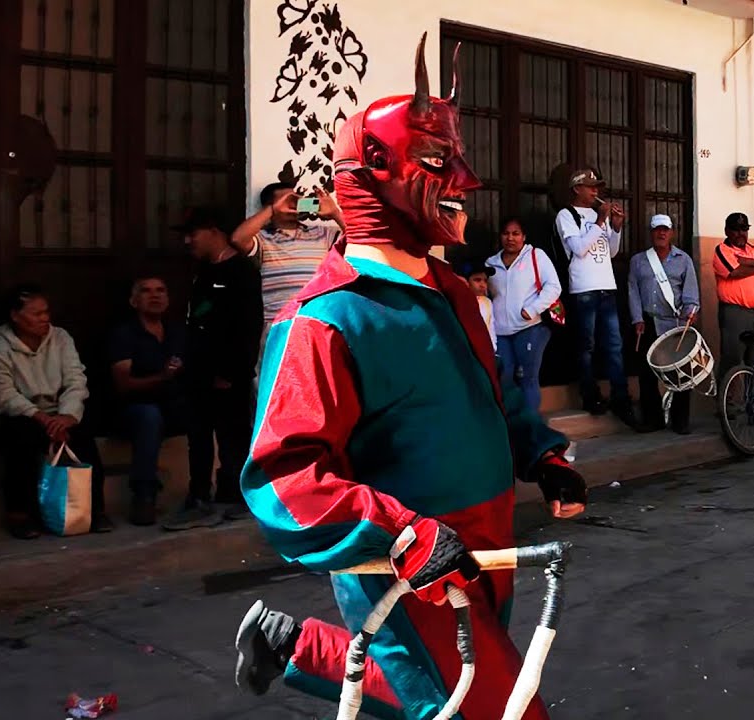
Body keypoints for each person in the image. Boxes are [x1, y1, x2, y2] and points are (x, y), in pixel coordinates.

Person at [231, 35, 587, 720]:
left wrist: (539, 451)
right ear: (370, 172)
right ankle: (300, 648)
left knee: (443, 689)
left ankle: (292, 646)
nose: (462, 182)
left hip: (489, 545)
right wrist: (400, 533)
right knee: (498, 708)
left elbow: (489, 395)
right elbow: (284, 475)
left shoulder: (453, 290)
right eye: (435, 162)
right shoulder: (325, 321)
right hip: (406, 570)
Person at [163, 207, 263, 531]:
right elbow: (195, 320)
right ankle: (198, 497)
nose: (188, 240)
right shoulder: (202, 272)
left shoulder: (242, 272)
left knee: (233, 436)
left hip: (228, 374)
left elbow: (249, 327)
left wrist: (233, 372)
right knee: (198, 436)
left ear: (214, 231)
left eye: (194, 233)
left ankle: (235, 497)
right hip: (197, 371)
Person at [0, 285, 111, 538]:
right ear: (15, 316)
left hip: (61, 411)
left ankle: (93, 510)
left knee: (84, 435)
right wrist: (43, 418)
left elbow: (75, 380)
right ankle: (19, 515)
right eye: (36, 314)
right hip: (26, 414)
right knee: (19, 440)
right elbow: (3, 393)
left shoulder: (60, 337)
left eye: (46, 312)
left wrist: (67, 416)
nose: (44, 318)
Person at [230, 182, 345, 364]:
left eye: (296, 198)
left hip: (315, 323)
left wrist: (334, 213)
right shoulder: (264, 239)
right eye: (287, 200)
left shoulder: (322, 234)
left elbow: (361, 239)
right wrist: (272, 210)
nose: (294, 203)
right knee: (276, 385)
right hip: (279, 325)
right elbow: (237, 239)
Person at [555, 168, 633, 424]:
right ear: (577, 189)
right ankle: (590, 396)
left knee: (614, 346)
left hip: (606, 286)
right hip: (584, 289)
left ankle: (621, 398)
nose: (596, 191)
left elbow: (610, 252)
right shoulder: (566, 215)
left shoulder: (601, 215)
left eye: (597, 187)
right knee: (586, 346)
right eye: (591, 187)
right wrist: (600, 222)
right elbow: (578, 249)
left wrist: (617, 228)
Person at [108, 275, 186, 525]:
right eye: (146, 291)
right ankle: (144, 496)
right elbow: (124, 384)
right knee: (149, 416)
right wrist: (162, 377)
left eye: (161, 290)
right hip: (132, 410)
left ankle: (205, 492)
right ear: (134, 301)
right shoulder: (124, 335)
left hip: (172, 406)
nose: (155, 296)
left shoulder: (177, 332)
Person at [628, 214, 700, 434]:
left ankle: (680, 421)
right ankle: (653, 419)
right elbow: (633, 291)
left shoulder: (683, 259)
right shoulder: (638, 261)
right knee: (647, 374)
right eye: (657, 229)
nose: (661, 233)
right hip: (649, 321)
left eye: (665, 230)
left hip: (675, 322)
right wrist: (637, 318)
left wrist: (690, 313)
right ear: (651, 233)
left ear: (671, 233)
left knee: (680, 372)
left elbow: (690, 293)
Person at [486, 218, 562, 414]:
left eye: (516, 233)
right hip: (500, 331)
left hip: (531, 327)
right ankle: (510, 424)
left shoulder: (536, 256)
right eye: (506, 233)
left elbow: (553, 286)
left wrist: (533, 308)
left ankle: (531, 426)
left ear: (524, 237)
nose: (510, 238)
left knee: (527, 376)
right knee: (504, 376)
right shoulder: (491, 263)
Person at [713, 212, 754, 373]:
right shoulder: (723, 249)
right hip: (735, 313)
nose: (741, 233)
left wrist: (749, 262)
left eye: (744, 229)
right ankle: (728, 398)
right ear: (727, 231)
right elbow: (734, 272)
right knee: (732, 360)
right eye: (736, 229)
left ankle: (752, 397)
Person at [458, 263, 497, 353]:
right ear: (465, 281)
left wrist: (492, 348)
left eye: (485, 281)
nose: (483, 285)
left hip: (484, 351)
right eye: (477, 280)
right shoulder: (458, 301)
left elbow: (490, 327)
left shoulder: (487, 302)